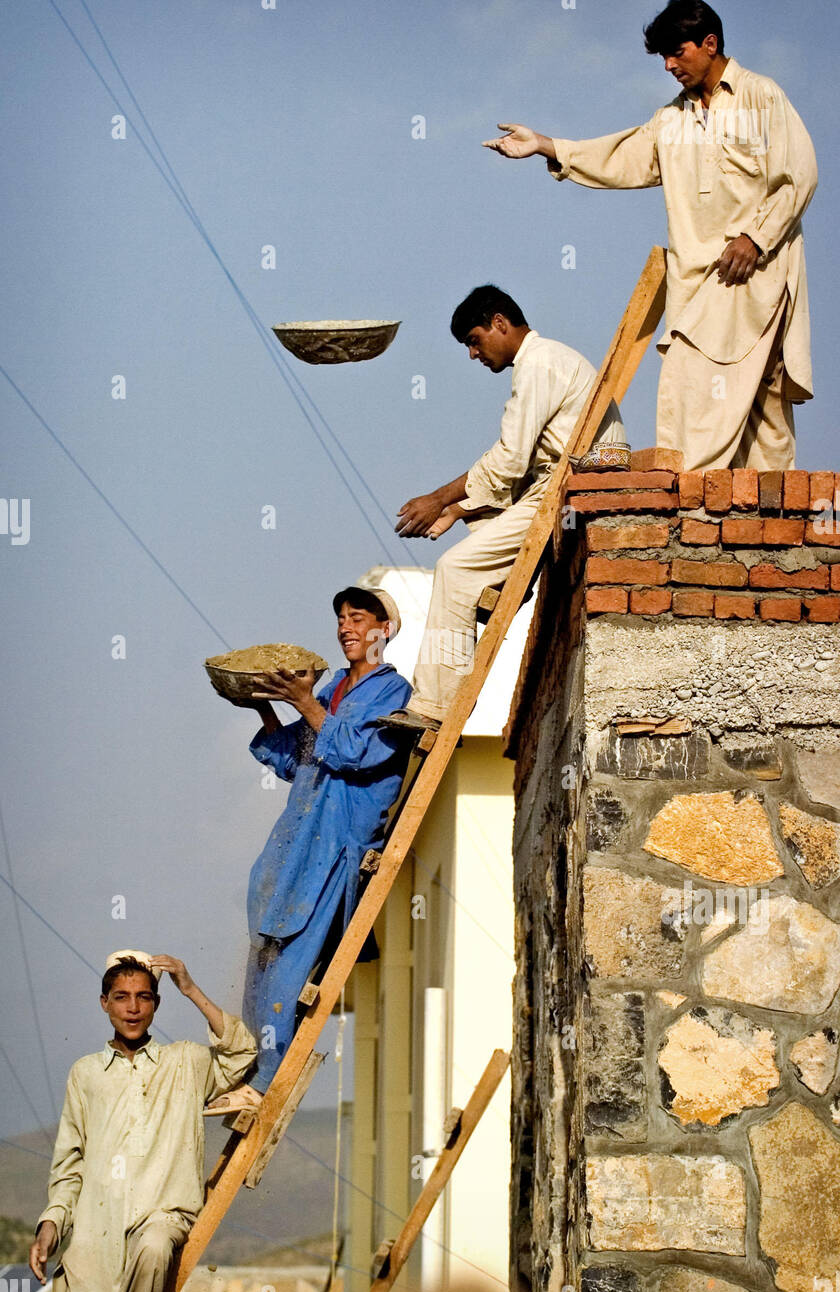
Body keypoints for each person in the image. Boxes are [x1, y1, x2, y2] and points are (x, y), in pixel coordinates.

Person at [483, 0, 817, 474]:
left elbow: (799, 176)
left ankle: (745, 516)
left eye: (676, 53)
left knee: (758, 408)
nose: (668, 66)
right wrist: (547, 145)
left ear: (710, 43)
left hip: (753, 276)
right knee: (692, 389)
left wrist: (755, 239)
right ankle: (715, 525)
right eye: (662, 57)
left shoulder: (760, 97)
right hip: (698, 280)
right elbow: (623, 156)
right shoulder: (671, 120)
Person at [380, 284, 625, 730]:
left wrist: (440, 498)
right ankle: (439, 694)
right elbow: (517, 469)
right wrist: (461, 510)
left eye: (474, 341)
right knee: (469, 539)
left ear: (499, 323)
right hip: (552, 485)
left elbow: (510, 461)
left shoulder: (540, 363)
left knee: (455, 571)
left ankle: (435, 707)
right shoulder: (543, 361)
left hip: (573, 486)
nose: (474, 354)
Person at [207, 586, 412, 1110]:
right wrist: (266, 710)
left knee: (293, 946)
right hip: (298, 836)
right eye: (341, 618)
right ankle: (252, 1065)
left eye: (358, 617)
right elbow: (293, 759)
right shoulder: (334, 689)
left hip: (339, 840)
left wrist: (304, 703)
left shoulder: (393, 692)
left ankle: (268, 1078)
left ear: (382, 630)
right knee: (265, 939)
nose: (345, 626)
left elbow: (357, 752)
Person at [28, 951, 256, 1292]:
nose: (133, 1008)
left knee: (153, 1247)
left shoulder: (185, 1062)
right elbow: (69, 1166)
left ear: (156, 1003)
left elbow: (241, 1051)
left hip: (163, 1219)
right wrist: (50, 1227)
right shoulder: (85, 1074)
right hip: (96, 1238)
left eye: (143, 997)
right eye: (121, 997)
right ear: (105, 1003)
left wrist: (190, 987)